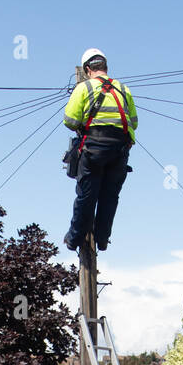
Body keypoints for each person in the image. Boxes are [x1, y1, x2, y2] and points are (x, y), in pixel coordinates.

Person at [63, 49, 138, 252]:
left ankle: (74, 238)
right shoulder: (123, 89)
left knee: (87, 195)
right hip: (120, 151)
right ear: (105, 67)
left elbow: (69, 121)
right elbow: (134, 122)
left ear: (87, 69)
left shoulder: (84, 87)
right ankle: (102, 238)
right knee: (110, 196)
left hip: (93, 149)